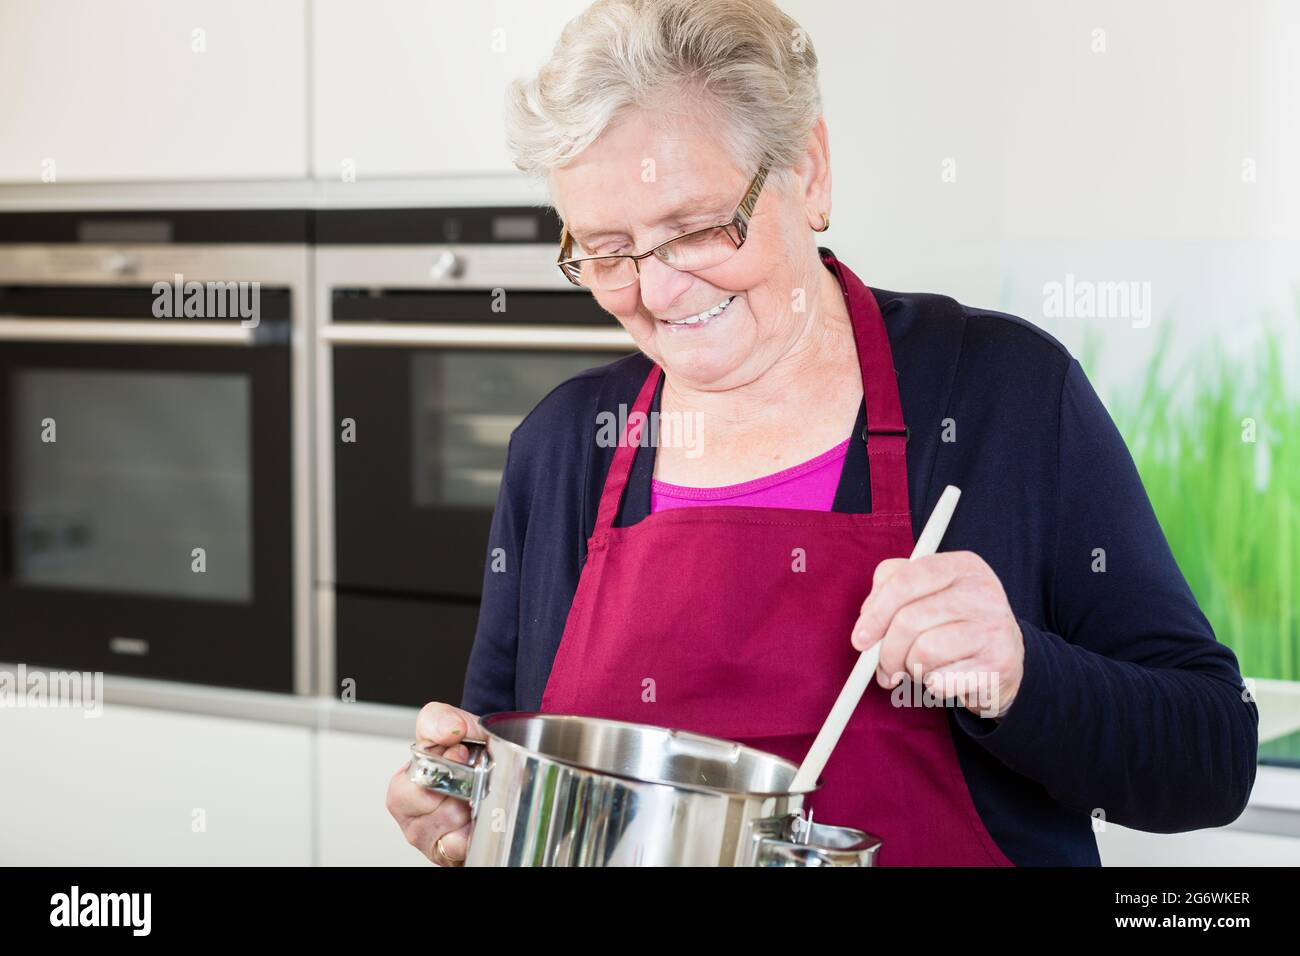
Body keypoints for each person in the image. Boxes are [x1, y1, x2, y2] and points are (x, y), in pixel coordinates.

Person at [387, 0, 1258, 866]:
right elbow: (506, 770)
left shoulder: (1003, 395)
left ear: (808, 170)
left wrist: (1024, 674)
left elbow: (1211, 760)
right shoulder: (565, 446)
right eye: (607, 251)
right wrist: (466, 802)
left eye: (693, 230)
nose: (657, 293)